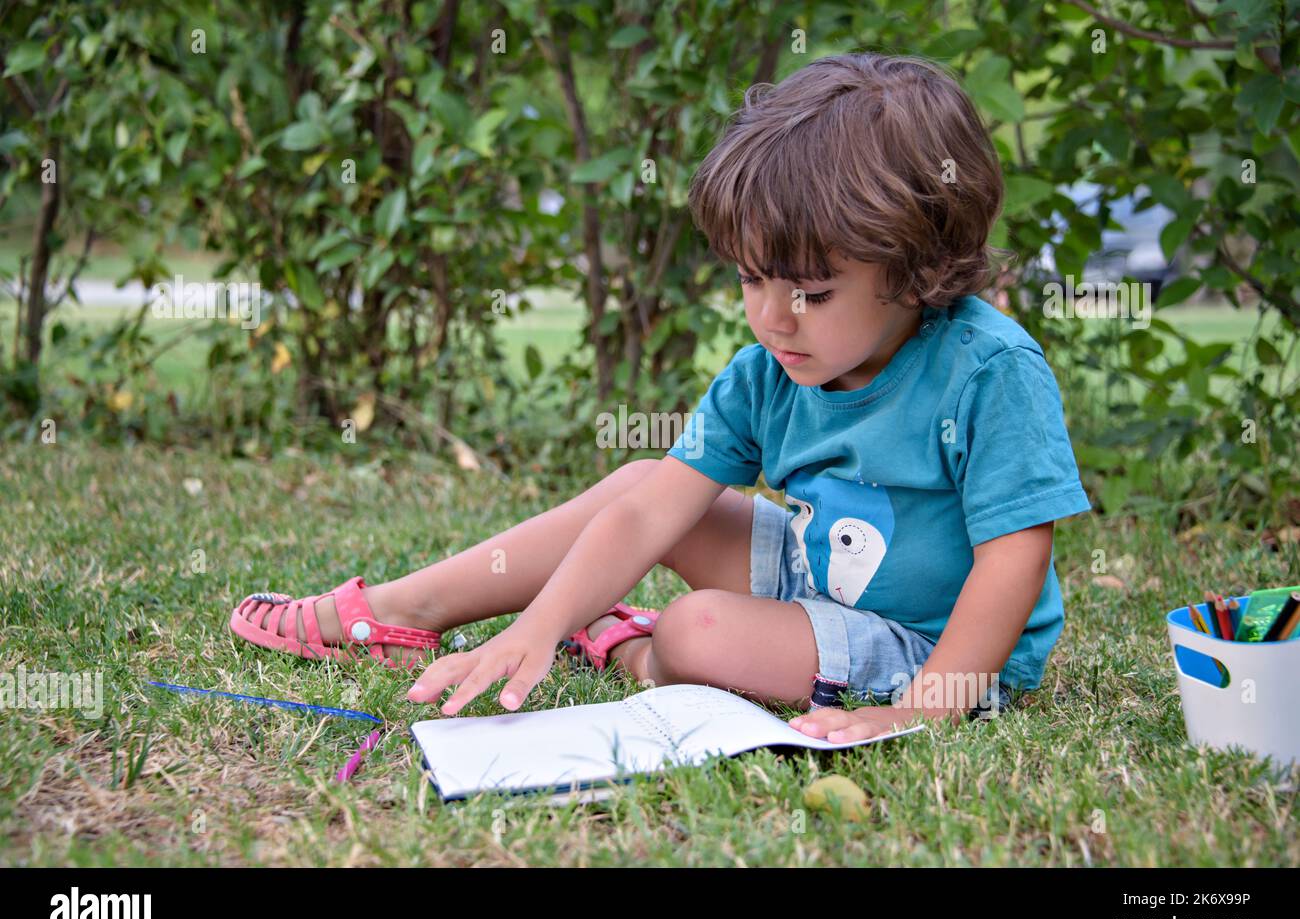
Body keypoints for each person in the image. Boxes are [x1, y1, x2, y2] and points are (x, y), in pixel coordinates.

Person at [229, 52, 1091, 743]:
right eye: (753, 279)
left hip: (933, 639)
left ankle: (636, 648)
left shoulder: (988, 371)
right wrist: (537, 622)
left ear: (917, 269)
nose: (771, 318)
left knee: (696, 633)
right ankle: (399, 611)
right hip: (815, 572)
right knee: (643, 482)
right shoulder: (771, 368)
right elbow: (647, 520)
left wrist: (929, 706)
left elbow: (1012, 562)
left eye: (811, 294)